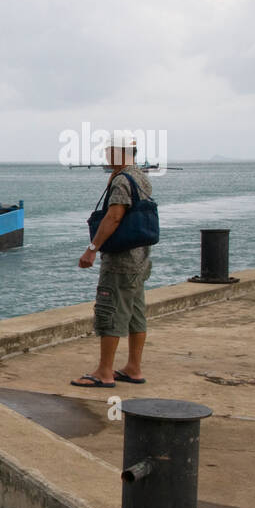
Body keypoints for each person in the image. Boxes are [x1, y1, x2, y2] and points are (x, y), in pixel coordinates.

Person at [73, 136, 153, 388]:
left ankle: (104, 372)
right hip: (140, 258)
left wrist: (92, 249)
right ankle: (133, 367)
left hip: (121, 260)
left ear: (120, 152)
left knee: (110, 311)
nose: (106, 156)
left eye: (109, 151)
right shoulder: (140, 176)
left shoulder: (121, 180)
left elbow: (114, 216)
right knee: (135, 314)